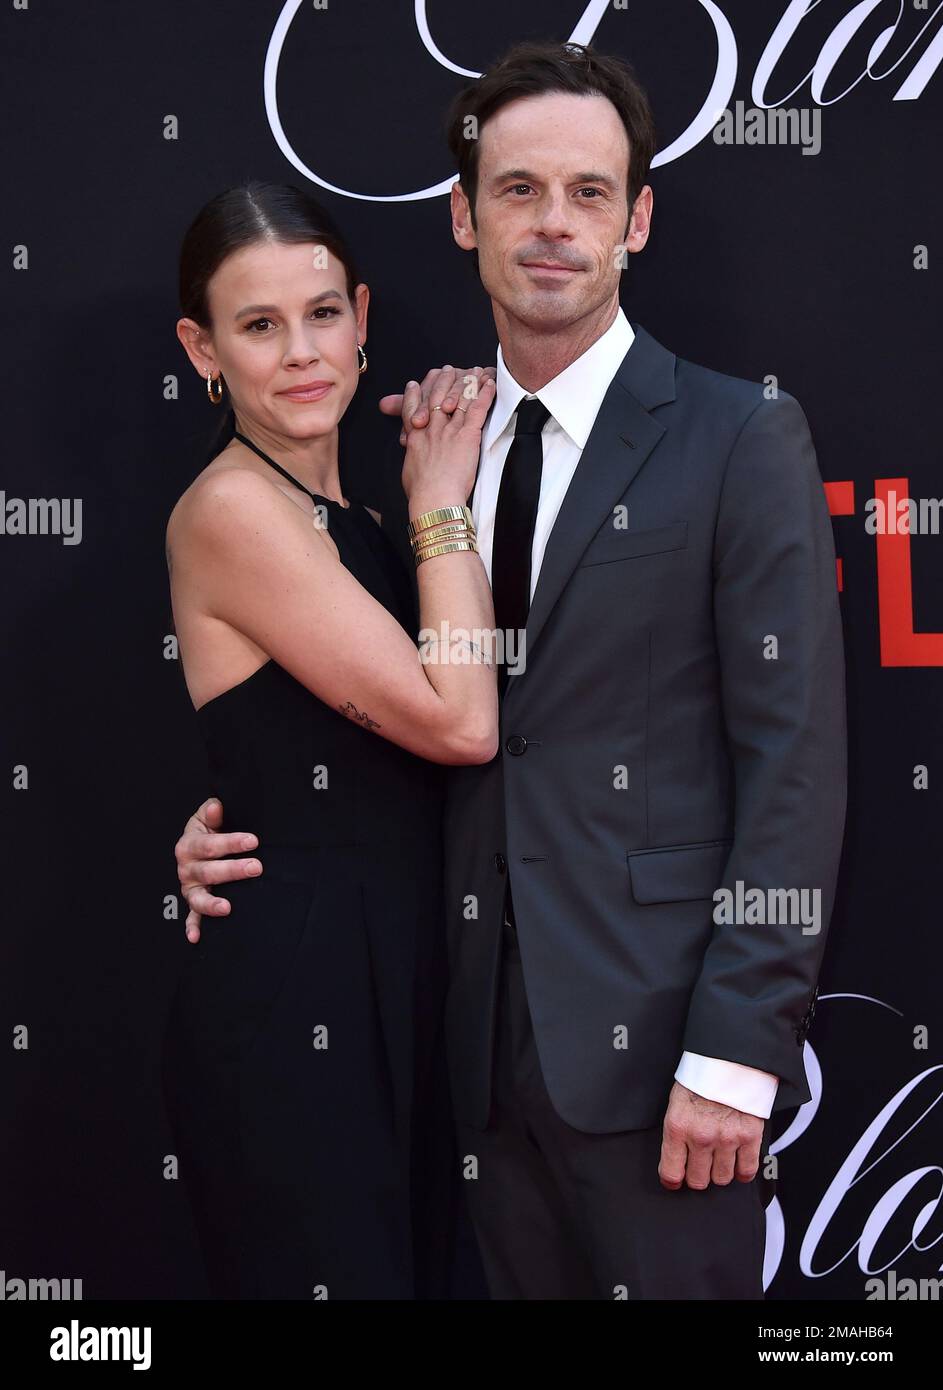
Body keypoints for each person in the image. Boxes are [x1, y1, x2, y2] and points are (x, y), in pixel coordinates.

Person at [174, 41, 847, 1300]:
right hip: (456, 1056)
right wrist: (235, 817)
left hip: (660, 1069)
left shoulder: (738, 435)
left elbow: (794, 768)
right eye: (518, 189)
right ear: (462, 215)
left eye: (589, 193)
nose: (552, 224)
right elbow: (361, 701)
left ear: (636, 220)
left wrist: (736, 1054)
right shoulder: (432, 444)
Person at [160, 180, 499, 1299]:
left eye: (321, 314)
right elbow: (457, 720)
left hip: (401, 973)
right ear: (201, 349)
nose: (301, 352)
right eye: (257, 326)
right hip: (301, 993)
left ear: (361, 315)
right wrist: (442, 492)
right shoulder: (232, 512)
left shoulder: (353, 522)